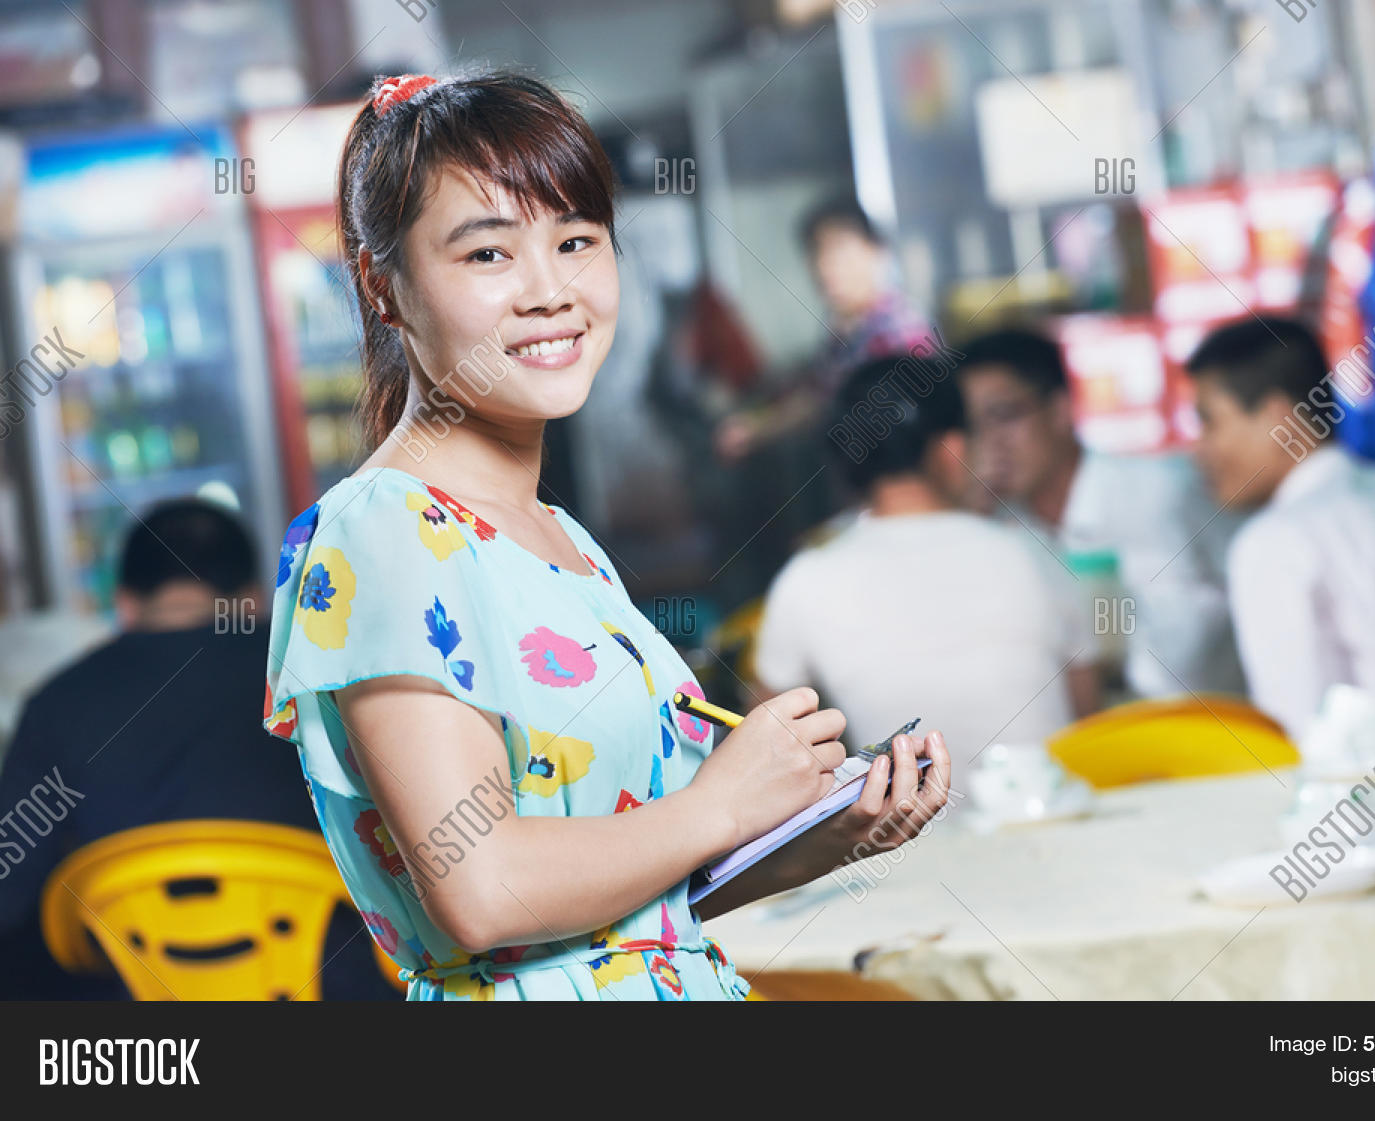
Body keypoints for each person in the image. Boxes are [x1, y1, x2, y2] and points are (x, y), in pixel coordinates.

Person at [262, 72, 950, 1002]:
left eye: (577, 240)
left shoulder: (558, 539)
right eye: (487, 255)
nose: (551, 291)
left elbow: (636, 903)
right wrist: (718, 803)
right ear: (385, 289)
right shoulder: (381, 533)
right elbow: (482, 889)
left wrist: (812, 834)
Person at [0, 499, 392, 1000]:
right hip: (337, 988)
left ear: (123, 604)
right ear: (253, 601)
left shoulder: (57, 702)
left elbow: (9, 892)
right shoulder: (317, 676)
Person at [752, 353, 1098, 797]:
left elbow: (767, 754)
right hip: (1052, 831)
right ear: (952, 451)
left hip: (902, 850)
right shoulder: (1035, 554)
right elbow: (1090, 722)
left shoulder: (804, 580)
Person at [1186, 315, 1375, 741]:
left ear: (1279, 419)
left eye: (1209, 422)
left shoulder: (1274, 546)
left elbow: (1305, 744)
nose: (1198, 450)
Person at [955, 327, 1246, 700]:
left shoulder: (1168, 492)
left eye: (1004, 415)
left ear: (1060, 410)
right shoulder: (998, 533)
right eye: (972, 426)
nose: (990, 443)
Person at [714, 196, 938, 462]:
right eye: (816, 252)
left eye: (839, 250)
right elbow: (817, 396)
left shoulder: (901, 333)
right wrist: (756, 427)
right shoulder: (844, 329)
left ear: (877, 252)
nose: (825, 266)